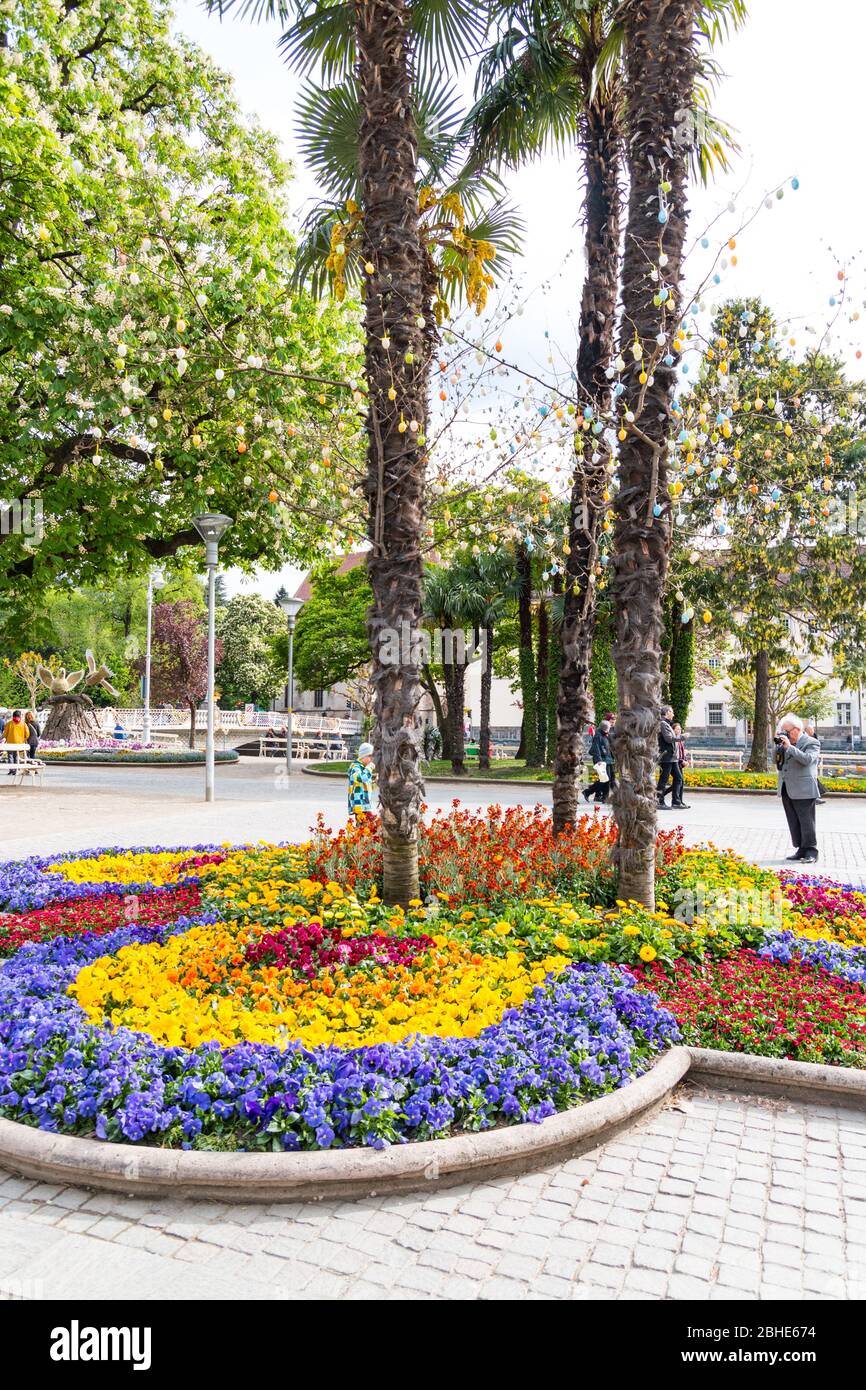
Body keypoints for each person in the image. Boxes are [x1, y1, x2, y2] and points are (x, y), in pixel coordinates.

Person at [775, 714, 820, 864]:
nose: (785, 734)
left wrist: (790, 747)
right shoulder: (784, 743)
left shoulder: (811, 742)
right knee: (793, 821)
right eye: (783, 731)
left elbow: (807, 760)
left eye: (786, 731)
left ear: (797, 729)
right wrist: (777, 746)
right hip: (787, 787)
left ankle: (811, 851)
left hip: (804, 788)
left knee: (807, 821)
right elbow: (777, 762)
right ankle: (801, 848)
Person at [583, 720, 613, 804]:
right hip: (602, 760)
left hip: (608, 759)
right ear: (605, 728)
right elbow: (595, 749)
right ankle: (604, 797)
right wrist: (599, 760)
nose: (610, 729)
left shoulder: (605, 735)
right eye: (609, 728)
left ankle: (589, 792)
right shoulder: (598, 736)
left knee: (606, 779)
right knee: (605, 779)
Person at [347, 741, 375, 818]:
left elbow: (368, 787)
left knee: (368, 827)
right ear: (363, 756)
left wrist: (376, 783)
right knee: (362, 828)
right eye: (370, 756)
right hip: (359, 805)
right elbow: (360, 778)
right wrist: (370, 767)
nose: (371, 758)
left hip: (365, 804)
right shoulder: (355, 767)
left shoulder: (364, 769)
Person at [656, 706, 678, 808]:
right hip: (666, 756)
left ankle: (676, 801)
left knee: (678, 778)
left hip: (671, 757)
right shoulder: (663, 723)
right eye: (672, 712)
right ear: (667, 712)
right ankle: (659, 801)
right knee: (663, 780)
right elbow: (668, 739)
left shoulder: (667, 724)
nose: (673, 714)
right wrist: (681, 737)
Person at [804, 719, 827, 803]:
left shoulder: (814, 737)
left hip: (813, 763)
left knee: (813, 780)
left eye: (812, 730)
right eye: (811, 730)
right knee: (812, 780)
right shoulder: (805, 739)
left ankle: (816, 797)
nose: (812, 731)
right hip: (809, 763)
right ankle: (816, 797)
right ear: (807, 731)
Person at [3, 709, 28, 774]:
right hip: (19, 743)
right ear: (20, 716)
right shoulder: (23, 724)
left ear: (13, 716)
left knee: (10, 756)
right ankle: (17, 769)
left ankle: (11, 770)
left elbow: (5, 734)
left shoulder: (9, 723)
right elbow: (27, 733)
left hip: (10, 743)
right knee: (16, 756)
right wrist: (23, 739)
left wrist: (5, 738)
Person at [671, 721, 690, 809]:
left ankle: (680, 801)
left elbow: (682, 752)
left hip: (680, 762)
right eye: (677, 729)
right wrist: (682, 760)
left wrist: (685, 760)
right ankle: (676, 801)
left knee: (680, 782)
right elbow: (676, 753)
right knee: (679, 780)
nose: (679, 730)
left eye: (680, 729)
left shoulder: (679, 740)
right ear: (673, 730)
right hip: (676, 762)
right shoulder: (674, 739)